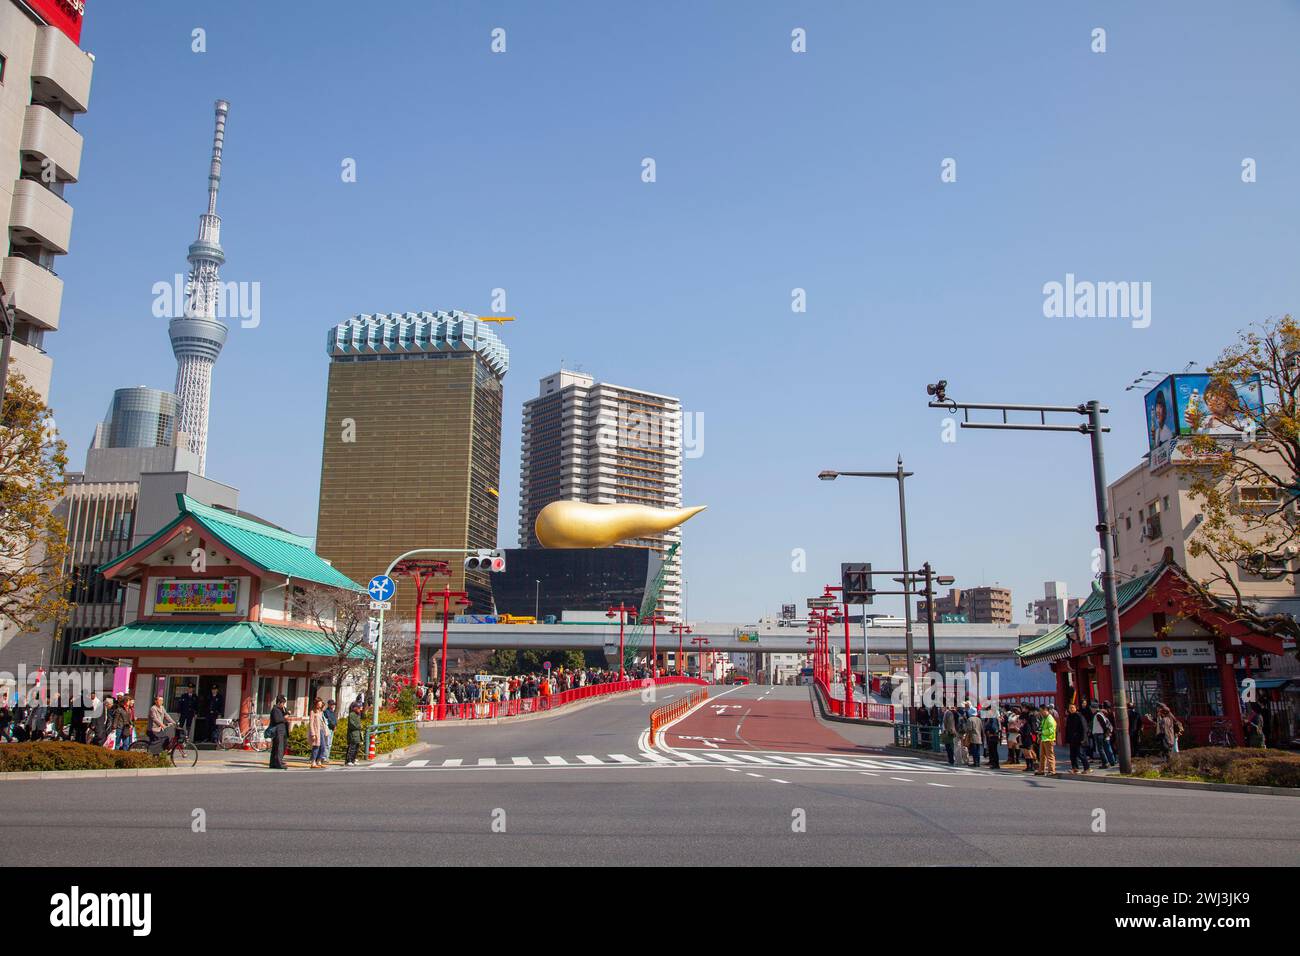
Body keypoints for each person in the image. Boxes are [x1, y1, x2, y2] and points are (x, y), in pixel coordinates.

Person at [1064, 703, 1091, 774]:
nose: (1071, 709)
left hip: (1080, 739)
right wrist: (1067, 739)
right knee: (1072, 755)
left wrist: (1083, 739)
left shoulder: (1079, 716)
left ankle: (1087, 768)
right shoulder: (1069, 717)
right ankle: (1075, 768)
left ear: (1076, 708)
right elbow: (1067, 729)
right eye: (1070, 708)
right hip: (1072, 739)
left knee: (1081, 754)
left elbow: (1084, 728)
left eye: (1072, 707)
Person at [1035, 703, 1057, 776]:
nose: (1040, 713)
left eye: (1041, 711)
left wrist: (1042, 732)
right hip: (1044, 739)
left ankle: (1052, 771)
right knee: (1042, 756)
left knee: (1050, 756)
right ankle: (1041, 770)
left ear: (1045, 710)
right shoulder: (1045, 718)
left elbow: (1051, 730)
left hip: (1049, 739)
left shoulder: (1050, 719)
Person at [268, 695, 289, 769]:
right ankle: (278, 763)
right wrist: (284, 718)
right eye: (283, 703)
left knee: (281, 747)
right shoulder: (275, 710)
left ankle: (273, 763)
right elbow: (277, 720)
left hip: (283, 730)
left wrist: (285, 711)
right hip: (278, 731)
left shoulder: (281, 709)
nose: (283, 705)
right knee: (279, 748)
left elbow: (286, 714)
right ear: (279, 703)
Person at [1092, 703, 1116, 768]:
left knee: (1101, 749)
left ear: (1094, 708)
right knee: (1106, 748)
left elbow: (1104, 725)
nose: (1091, 710)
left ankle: (1106, 763)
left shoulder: (1098, 715)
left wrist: (1105, 734)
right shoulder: (1100, 715)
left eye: (1092, 708)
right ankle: (1111, 761)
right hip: (1102, 734)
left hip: (1100, 734)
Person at [345, 701, 364, 766]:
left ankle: (353, 760)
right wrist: (359, 726)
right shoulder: (352, 714)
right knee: (352, 747)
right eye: (359, 707)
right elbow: (351, 724)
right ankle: (348, 760)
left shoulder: (358, 714)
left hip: (357, 733)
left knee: (356, 747)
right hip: (353, 733)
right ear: (355, 708)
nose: (360, 709)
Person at [309, 698, 327, 768]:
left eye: (321, 703)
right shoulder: (313, 712)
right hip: (316, 731)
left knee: (323, 746)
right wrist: (313, 734)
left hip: (322, 730)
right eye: (319, 703)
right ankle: (313, 762)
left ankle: (319, 761)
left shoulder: (321, 712)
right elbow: (311, 723)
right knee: (316, 746)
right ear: (316, 704)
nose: (320, 704)